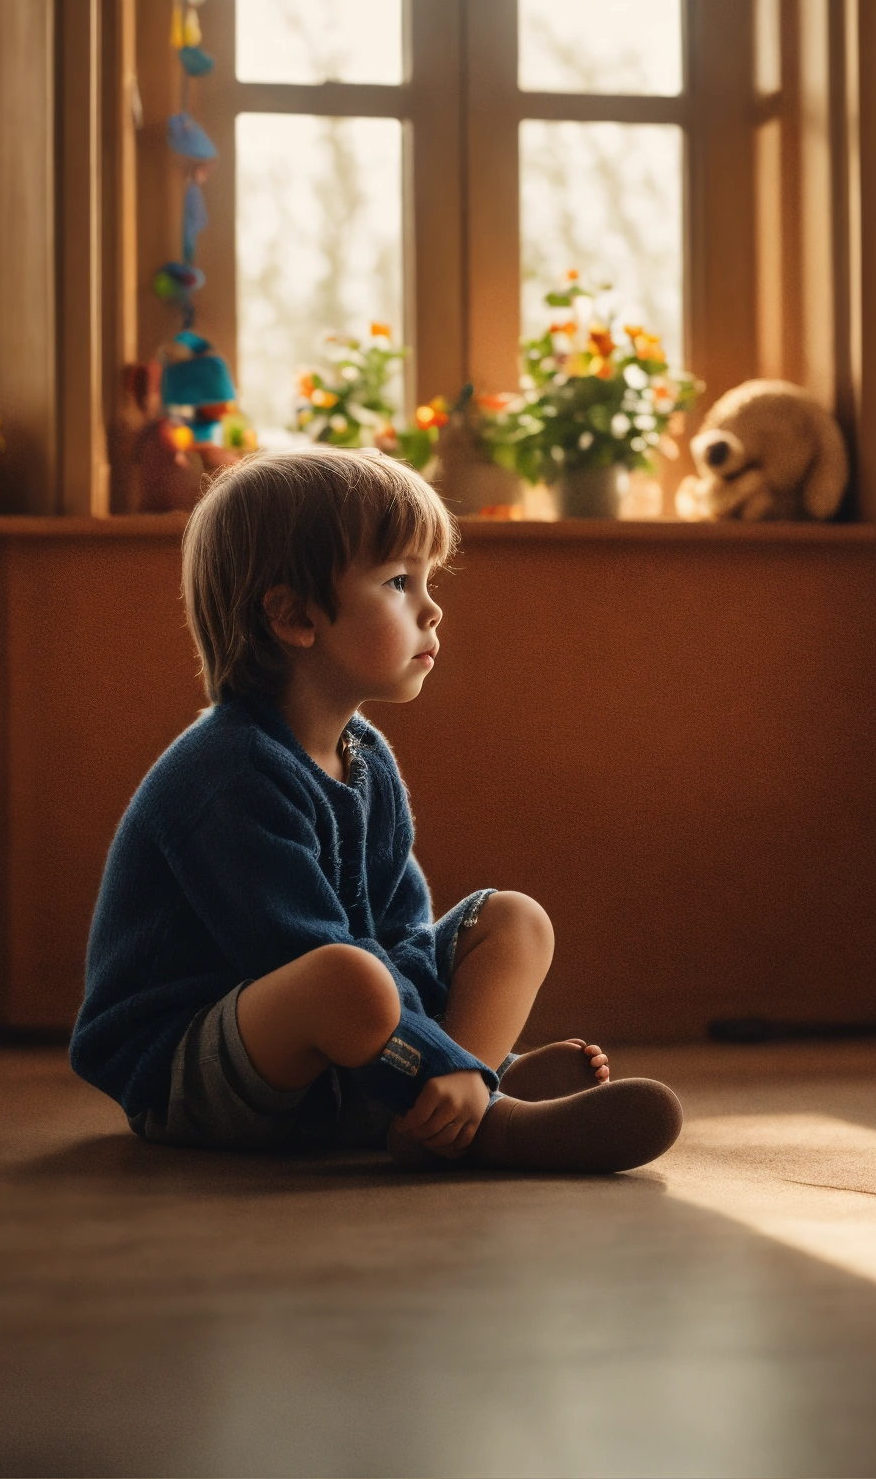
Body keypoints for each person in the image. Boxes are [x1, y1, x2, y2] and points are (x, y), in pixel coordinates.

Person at [71, 444, 682, 1172]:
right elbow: (300, 954)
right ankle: (483, 1115)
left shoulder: (363, 755)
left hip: (340, 1031)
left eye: (429, 578)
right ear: (295, 616)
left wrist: (435, 1046)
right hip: (186, 1062)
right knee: (346, 978)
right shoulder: (226, 774)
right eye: (398, 581)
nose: (432, 607)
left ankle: (450, 1101)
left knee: (516, 920)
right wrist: (430, 1055)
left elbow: (398, 930)